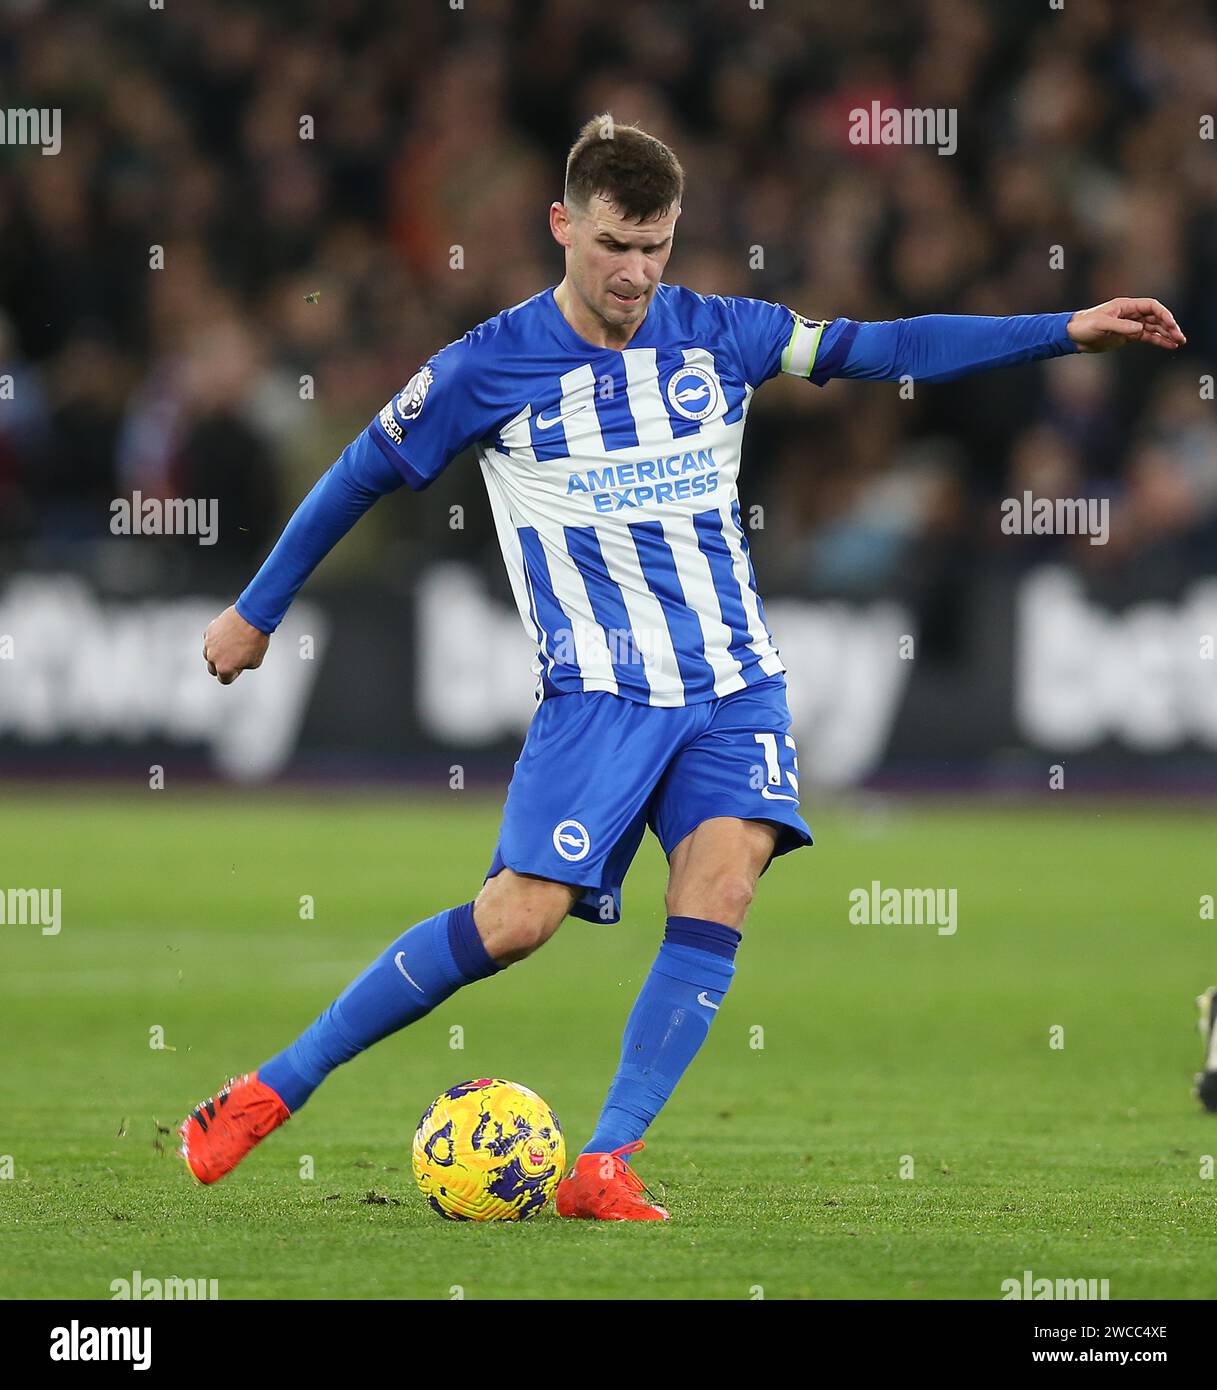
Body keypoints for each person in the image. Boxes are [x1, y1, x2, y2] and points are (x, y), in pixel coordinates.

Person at [180, 115, 1184, 1220]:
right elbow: (355, 477)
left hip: (730, 683)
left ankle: (604, 1162)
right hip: (601, 695)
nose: (634, 272)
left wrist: (1063, 331)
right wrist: (255, 611)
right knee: (518, 920)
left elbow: (885, 347)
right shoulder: (485, 366)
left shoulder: (723, 333)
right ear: (562, 226)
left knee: (723, 885)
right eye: (613, 245)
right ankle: (274, 1086)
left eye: (654, 247)